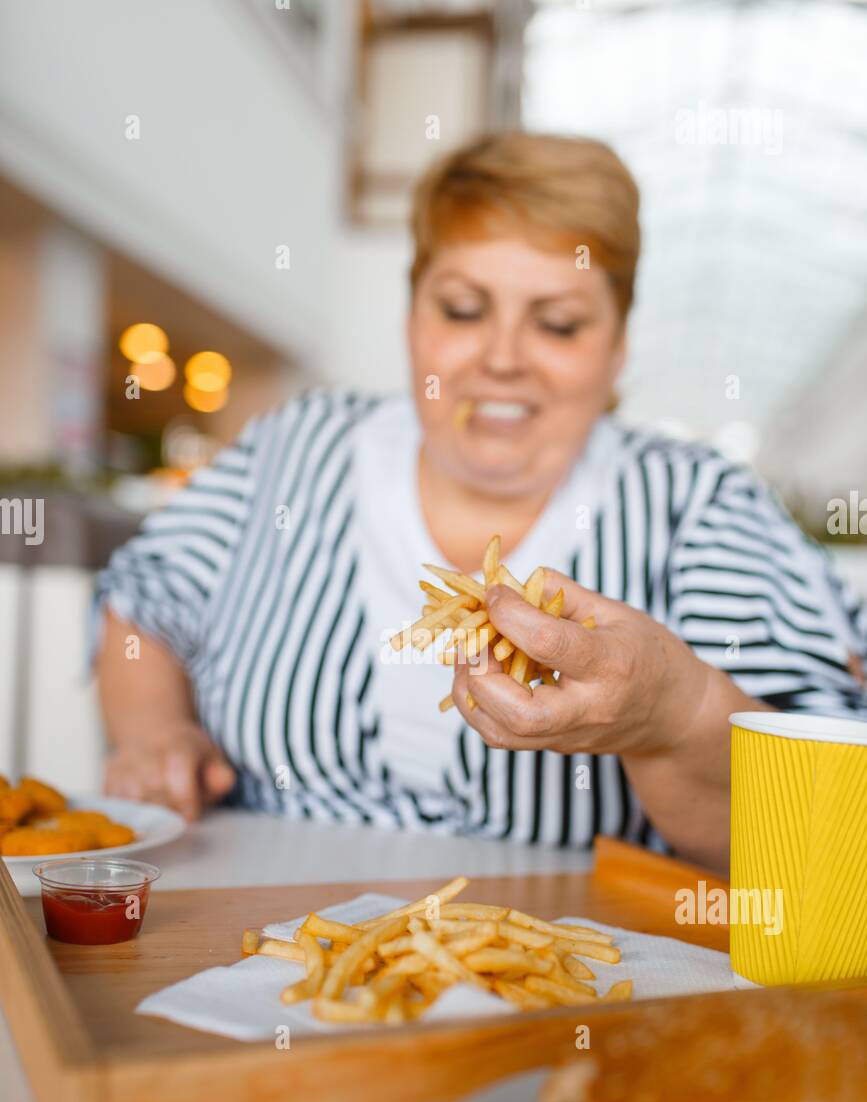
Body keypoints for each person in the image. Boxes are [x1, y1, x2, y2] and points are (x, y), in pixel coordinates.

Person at [94, 132, 866, 873]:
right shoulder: (297, 446)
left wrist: (676, 714)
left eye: (557, 324)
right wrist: (157, 732)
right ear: (411, 319)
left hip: (572, 955)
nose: (501, 359)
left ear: (617, 347)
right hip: (250, 936)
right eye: (463, 310)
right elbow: (145, 600)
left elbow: (819, 824)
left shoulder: (699, 502)